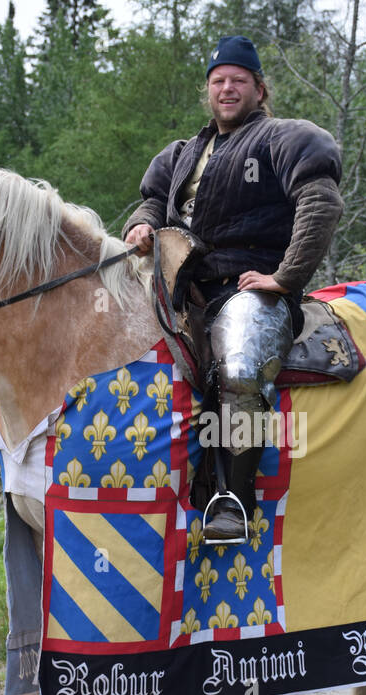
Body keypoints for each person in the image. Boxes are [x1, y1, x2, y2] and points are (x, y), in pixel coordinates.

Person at [123, 35, 344, 543]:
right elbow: (153, 202)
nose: (227, 88)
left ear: (259, 89)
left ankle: (233, 502)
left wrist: (284, 277)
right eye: (218, 81)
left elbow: (321, 200)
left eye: (238, 80)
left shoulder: (283, 139)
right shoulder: (179, 154)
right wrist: (140, 226)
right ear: (207, 91)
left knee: (242, 367)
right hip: (182, 290)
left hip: (249, 291)